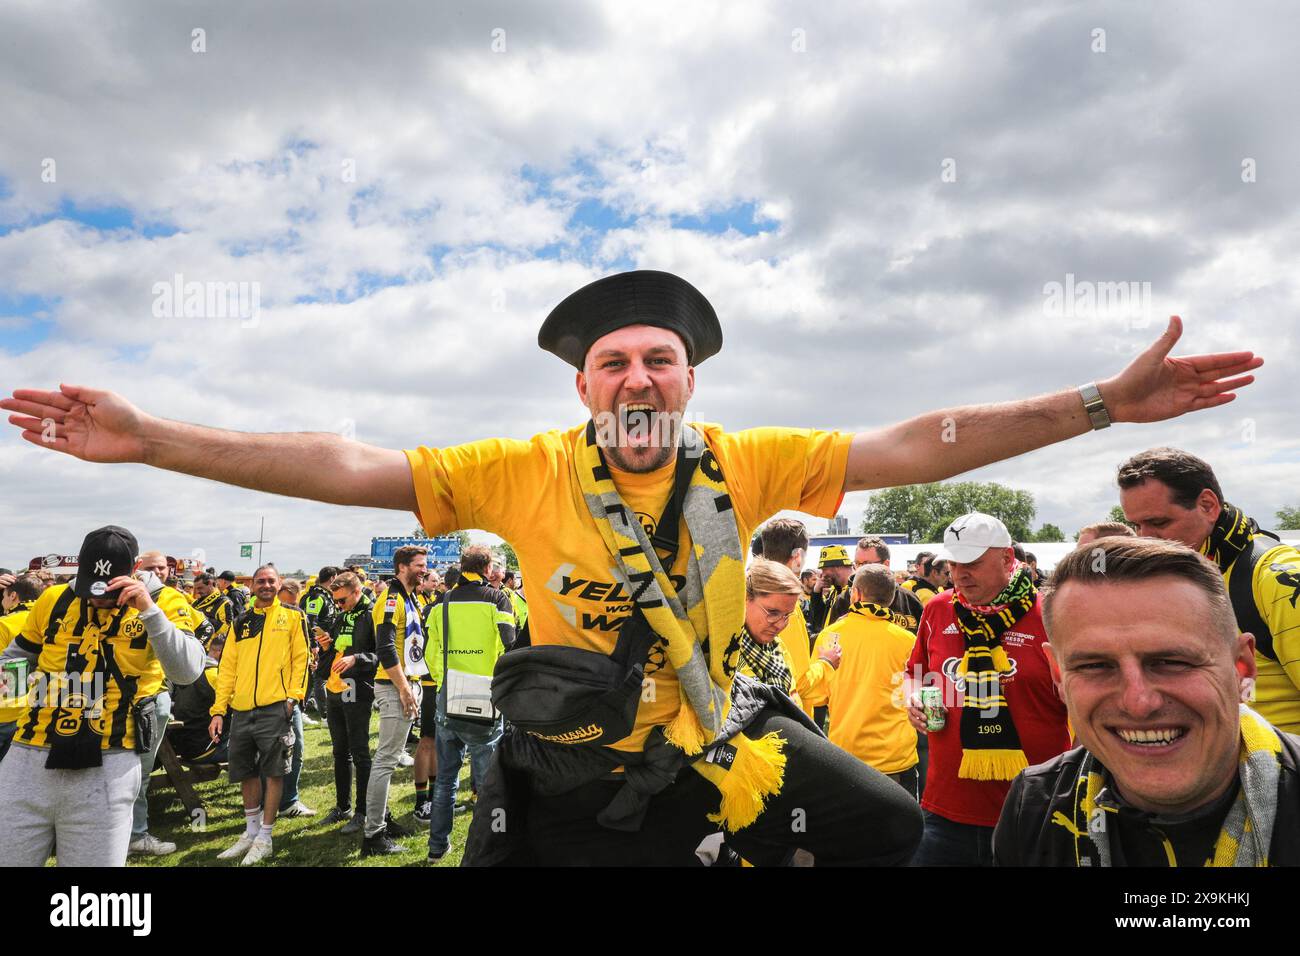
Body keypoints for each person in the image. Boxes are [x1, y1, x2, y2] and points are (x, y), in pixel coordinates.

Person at [2, 270, 1260, 866]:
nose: (637, 378)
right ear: (582, 386)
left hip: (730, 733)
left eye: (658, 358)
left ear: (691, 380)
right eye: (613, 362)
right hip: (569, 762)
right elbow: (344, 461)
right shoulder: (518, 466)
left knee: (890, 836)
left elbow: (916, 438)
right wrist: (154, 438)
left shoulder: (750, 458)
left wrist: (1098, 404)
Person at [994, 536, 1300, 866]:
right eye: (1095, 666)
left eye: (1172, 662)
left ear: (1242, 668)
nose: (1139, 702)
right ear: (1059, 677)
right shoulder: (1034, 805)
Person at [0, 526, 204, 867]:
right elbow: (16, 659)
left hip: (109, 758)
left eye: (107, 591)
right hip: (30, 753)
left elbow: (187, 671)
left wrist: (149, 611)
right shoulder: (54, 599)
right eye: (89, 586)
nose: (96, 598)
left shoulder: (166, 601)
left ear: (135, 568)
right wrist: (24, 690)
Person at [905, 513, 1071, 866]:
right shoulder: (937, 610)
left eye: (973, 563)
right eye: (953, 562)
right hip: (946, 812)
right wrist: (913, 697)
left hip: (1034, 814)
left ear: (1008, 559)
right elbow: (914, 673)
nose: (959, 573)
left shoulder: (1052, 615)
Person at [1117, 446, 1300, 734]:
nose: (1145, 539)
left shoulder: (1276, 576)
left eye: (1159, 522)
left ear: (1207, 505)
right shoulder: (1185, 576)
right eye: (1136, 526)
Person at [207, 565, 310, 865]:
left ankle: (265, 836)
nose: (265, 585)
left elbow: (301, 659)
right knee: (245, 771)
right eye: (260, 581)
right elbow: (227, 668)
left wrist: (293, 699)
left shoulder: (293, 616)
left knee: (274, 771)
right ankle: (250, 832)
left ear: (279, 584)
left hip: (276, 707)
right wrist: (218, 710)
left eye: (270, 581)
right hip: (241, 710)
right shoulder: (241, 621)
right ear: (251, 585)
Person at [424, 545, 516, 861]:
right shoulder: (497, 598)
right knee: (490, 787)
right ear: (487, 567)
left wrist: (444, 682)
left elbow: (430, 654)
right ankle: (491, 849)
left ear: (462, 567)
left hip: (448, 696)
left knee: (445, 782)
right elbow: (511, 646)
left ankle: (436, 848)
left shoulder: (441, 602)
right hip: (485, 697)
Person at [811, 564, 920, 797]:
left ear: (856, 594)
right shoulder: (907, 640)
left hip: (847, 759)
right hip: (897, 760)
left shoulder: (830, 636)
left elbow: (815, 696)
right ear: (891, 599)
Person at [127, 549, 194, 857]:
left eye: (163, 567)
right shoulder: (116, 591)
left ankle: (135, 835)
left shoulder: (172, 599)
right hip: (110, 697)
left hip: (150, 697)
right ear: (137, 567)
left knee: (136, 773)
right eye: (152, 567)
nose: (160, 571)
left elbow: (189, 656)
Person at [362, 545, 427, 856]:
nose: (424, 570)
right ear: (402, 566)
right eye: (418, 565)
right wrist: (403, 688)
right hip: (393, 685)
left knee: (388, 759)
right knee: (386, 761)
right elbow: (385, 647)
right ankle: (373, 835)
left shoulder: (408, 595)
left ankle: (382, 819)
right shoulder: (391, 597)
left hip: (404, 683)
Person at [757, 518, 837, 719]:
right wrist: (826, 663)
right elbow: (798, 683)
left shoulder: (752, 590)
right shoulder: (783, 603)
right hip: (786, 719)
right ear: (798, 556)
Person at [321, 571, 378, 833]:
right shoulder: (342, 615)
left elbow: (384, 654)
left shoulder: (372, 614)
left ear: (358, 591)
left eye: (342, 600)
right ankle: (342, 806)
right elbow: (335, 651)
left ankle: (363, 812)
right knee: (339, 751)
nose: (338, 605)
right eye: (336, 601)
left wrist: (358, 659)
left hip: (356, 687)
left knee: (359, 751)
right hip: (334, 688)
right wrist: (325, 646)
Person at [0, 574, 48, 762]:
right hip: (35, 712)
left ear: (13, 597)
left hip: (4, 712)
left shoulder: (4, 624)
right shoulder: (50, 621)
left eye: (3, 596)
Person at [301, 566, 340, 719]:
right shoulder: (316, 596)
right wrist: (314, 644)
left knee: (317, 678)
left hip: (326, 643)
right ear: (331, 579)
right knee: (318, 679)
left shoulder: (327, 595)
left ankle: (304, 709)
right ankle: (324, 715)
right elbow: (310, 621)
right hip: (317, 644)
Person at [191, 572, 234, 655]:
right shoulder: (195, 603)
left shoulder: (224, 602)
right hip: (193, 646)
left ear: (211, 584)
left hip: (209, 651)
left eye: (200, 588)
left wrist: (204, 619)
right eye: (196, 588)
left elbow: (227, 629)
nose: (197, 591)